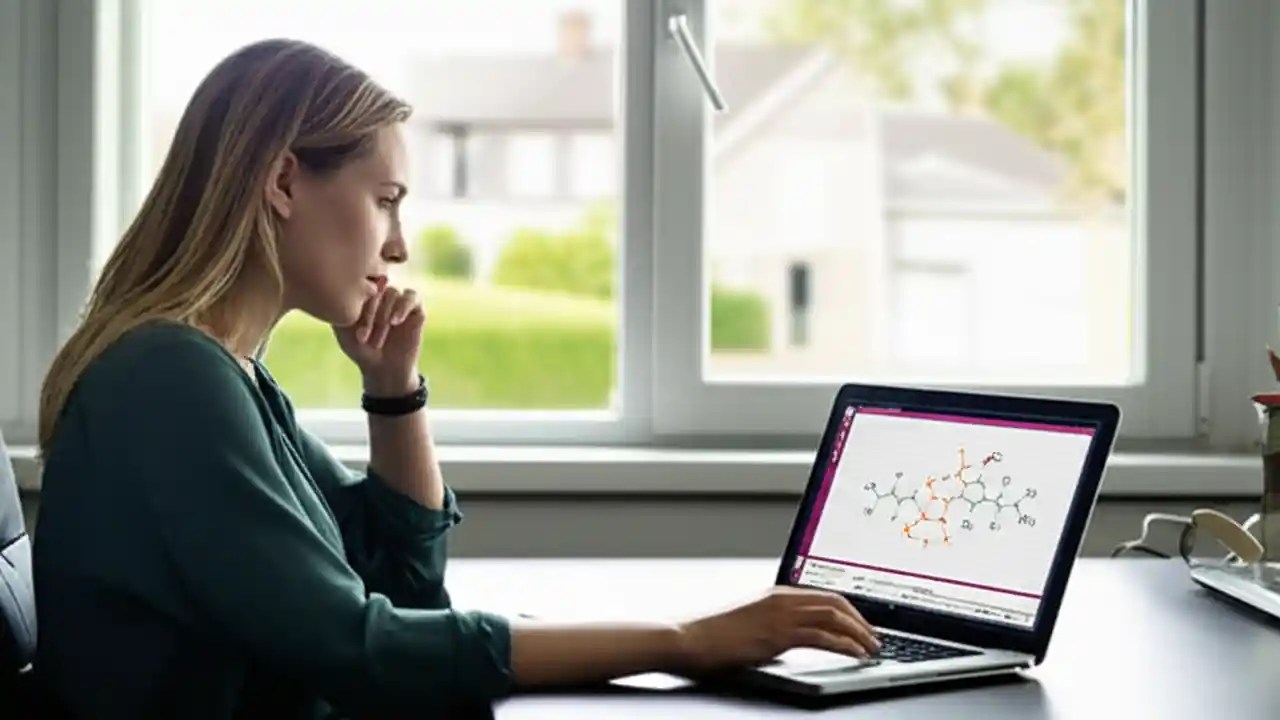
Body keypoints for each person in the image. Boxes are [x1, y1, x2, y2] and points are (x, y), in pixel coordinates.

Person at [31, 38, 879, 718]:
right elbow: (361, 650)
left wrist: (395, 393)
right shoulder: (168, 380)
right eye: (385, 199)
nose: (398, 246)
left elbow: (407, 589)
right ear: (284, 180)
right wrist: (684, 641)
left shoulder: (231, 376)